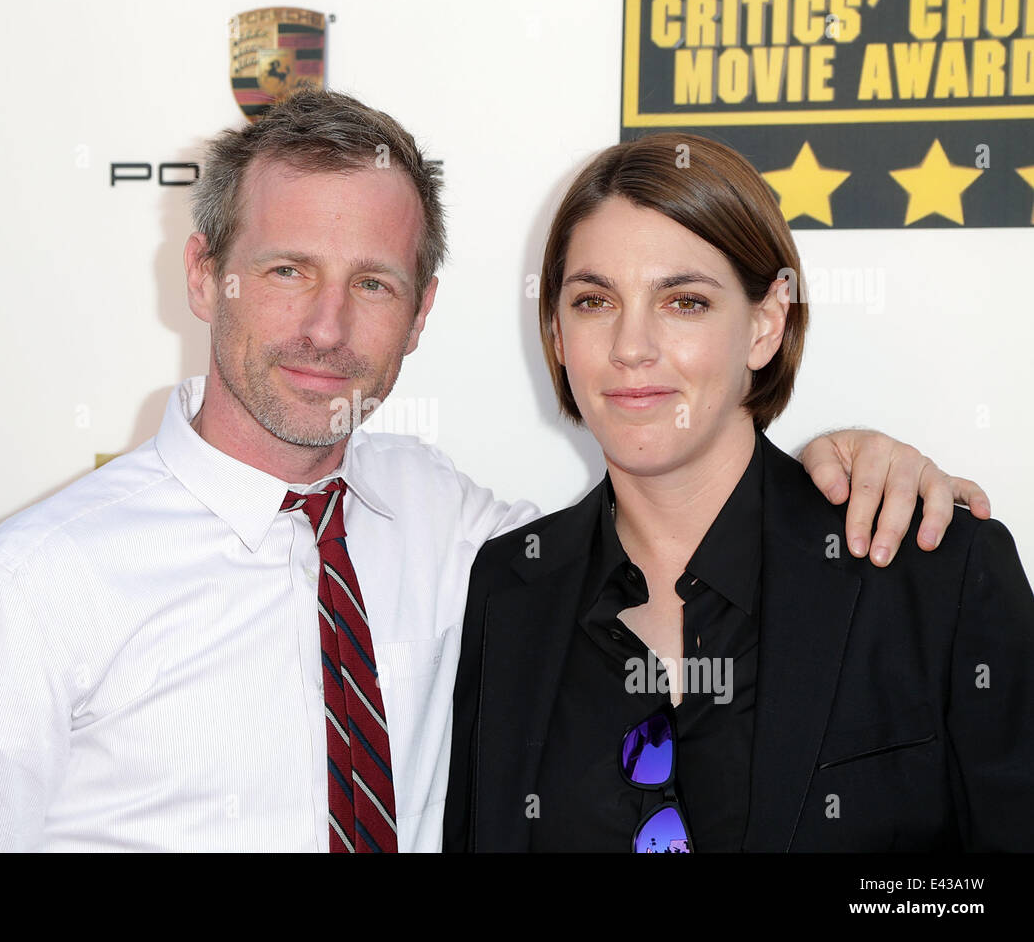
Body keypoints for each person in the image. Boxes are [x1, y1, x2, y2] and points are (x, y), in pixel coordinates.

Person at [0, 92, 989, 852]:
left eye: (372, 282)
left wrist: (846, 464)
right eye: (284, 270)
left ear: (420, 314)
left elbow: (678, 514)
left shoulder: (460, 536)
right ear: (202, 273)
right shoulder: (35, 585)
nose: (325, 325)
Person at [443, 132, 1034, 852]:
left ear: (765, 324)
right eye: (594, 301)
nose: (632, 346)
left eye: (684, 301)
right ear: (558, 334)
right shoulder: (510, 588)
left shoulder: (933, 570)